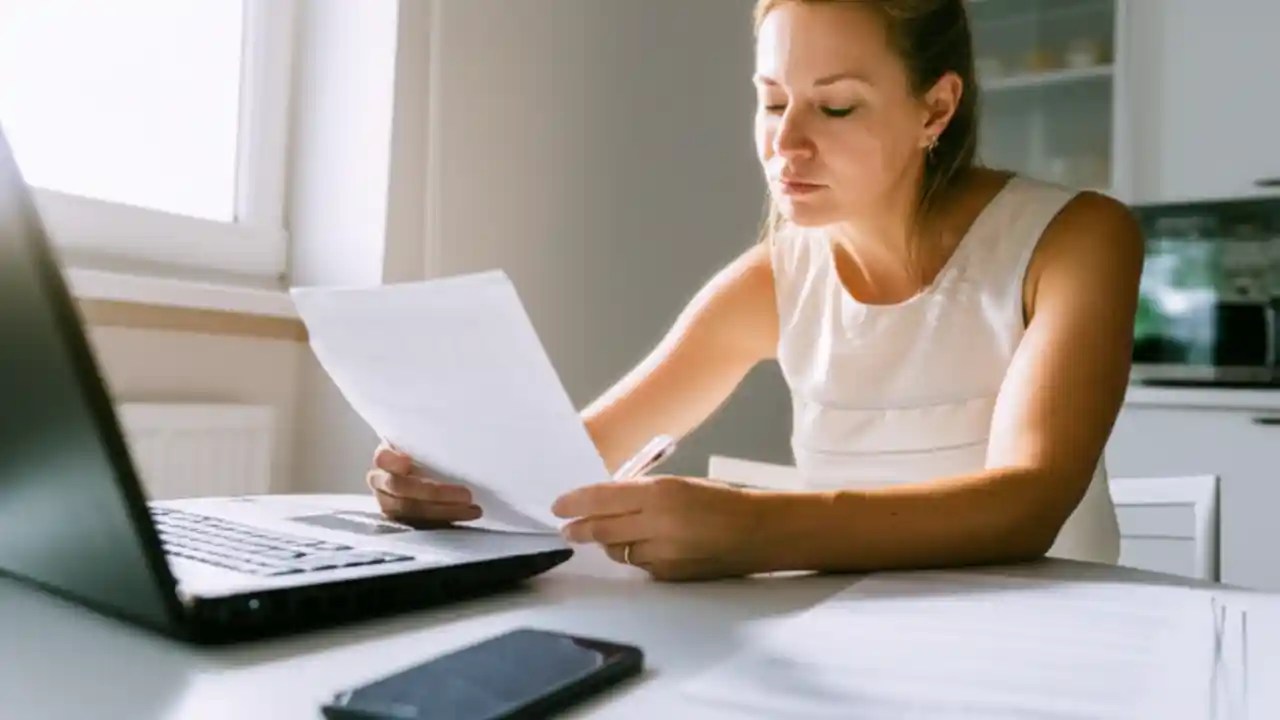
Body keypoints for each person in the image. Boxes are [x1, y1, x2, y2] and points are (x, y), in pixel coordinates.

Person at [366, 0, 1142, 581]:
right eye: (772, 101)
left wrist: (754, 529)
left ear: (936, 107)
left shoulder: (1077, 239)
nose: (786, 142)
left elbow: (1027, 505)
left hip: (1056, 642)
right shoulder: (775, 277)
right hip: (862, 639)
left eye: (836, 106)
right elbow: (566, 464)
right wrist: (455, 488)